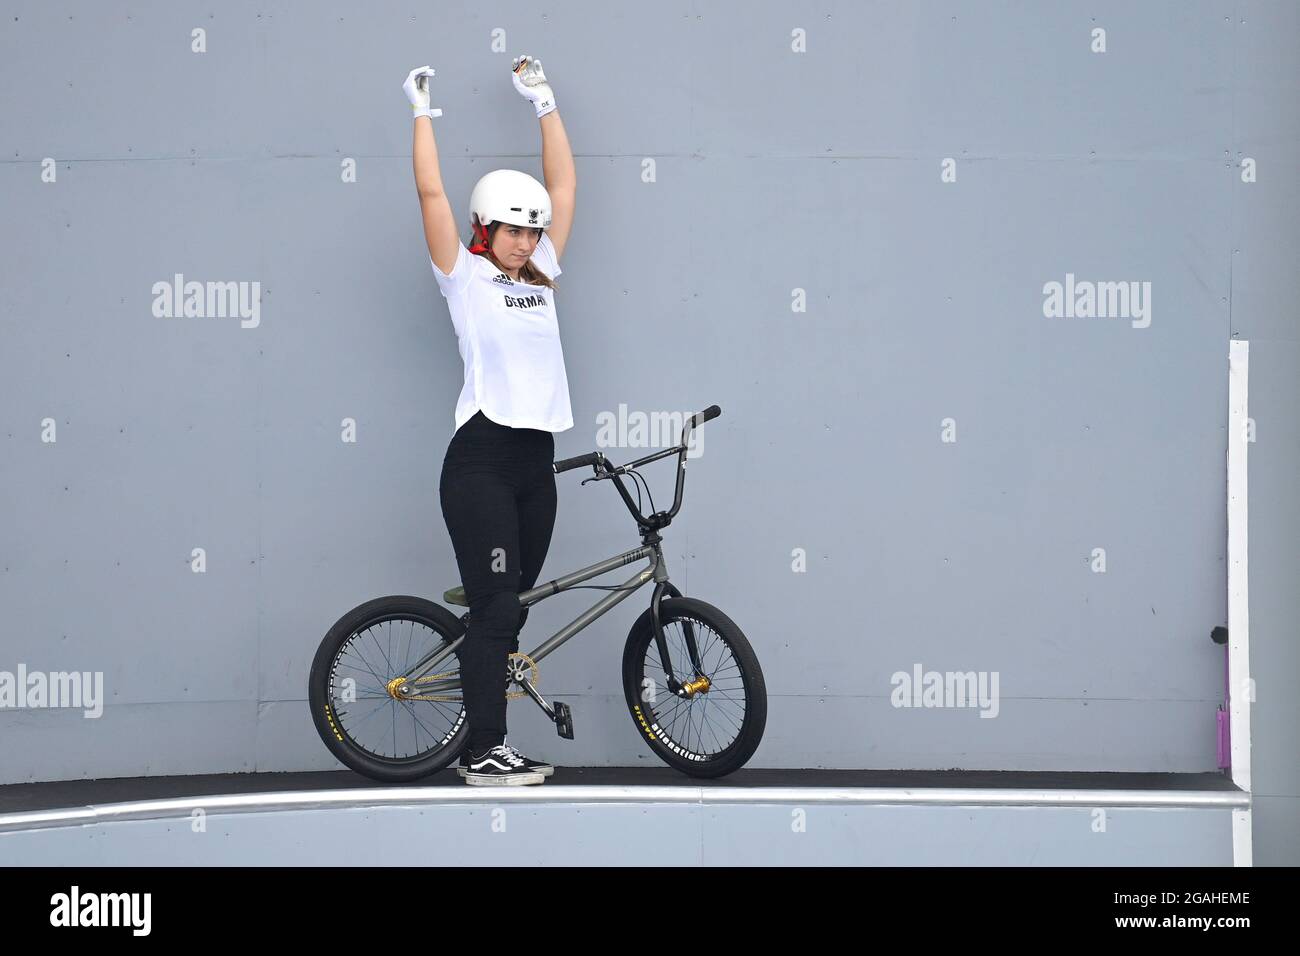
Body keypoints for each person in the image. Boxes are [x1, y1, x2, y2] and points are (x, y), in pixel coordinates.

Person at [405, 55, 577, 786]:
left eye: (533, 232)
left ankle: (488, 735)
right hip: (480, 459)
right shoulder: (464, 276)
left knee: (508, 613)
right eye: (513, 230)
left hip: (535, 464)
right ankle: (482, 752)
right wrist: (420, 112)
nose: (526, 242)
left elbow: (565, 186)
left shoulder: (541, 277)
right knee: (498, 606)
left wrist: (544, 101)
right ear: (486, 227)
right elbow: (430, 189)